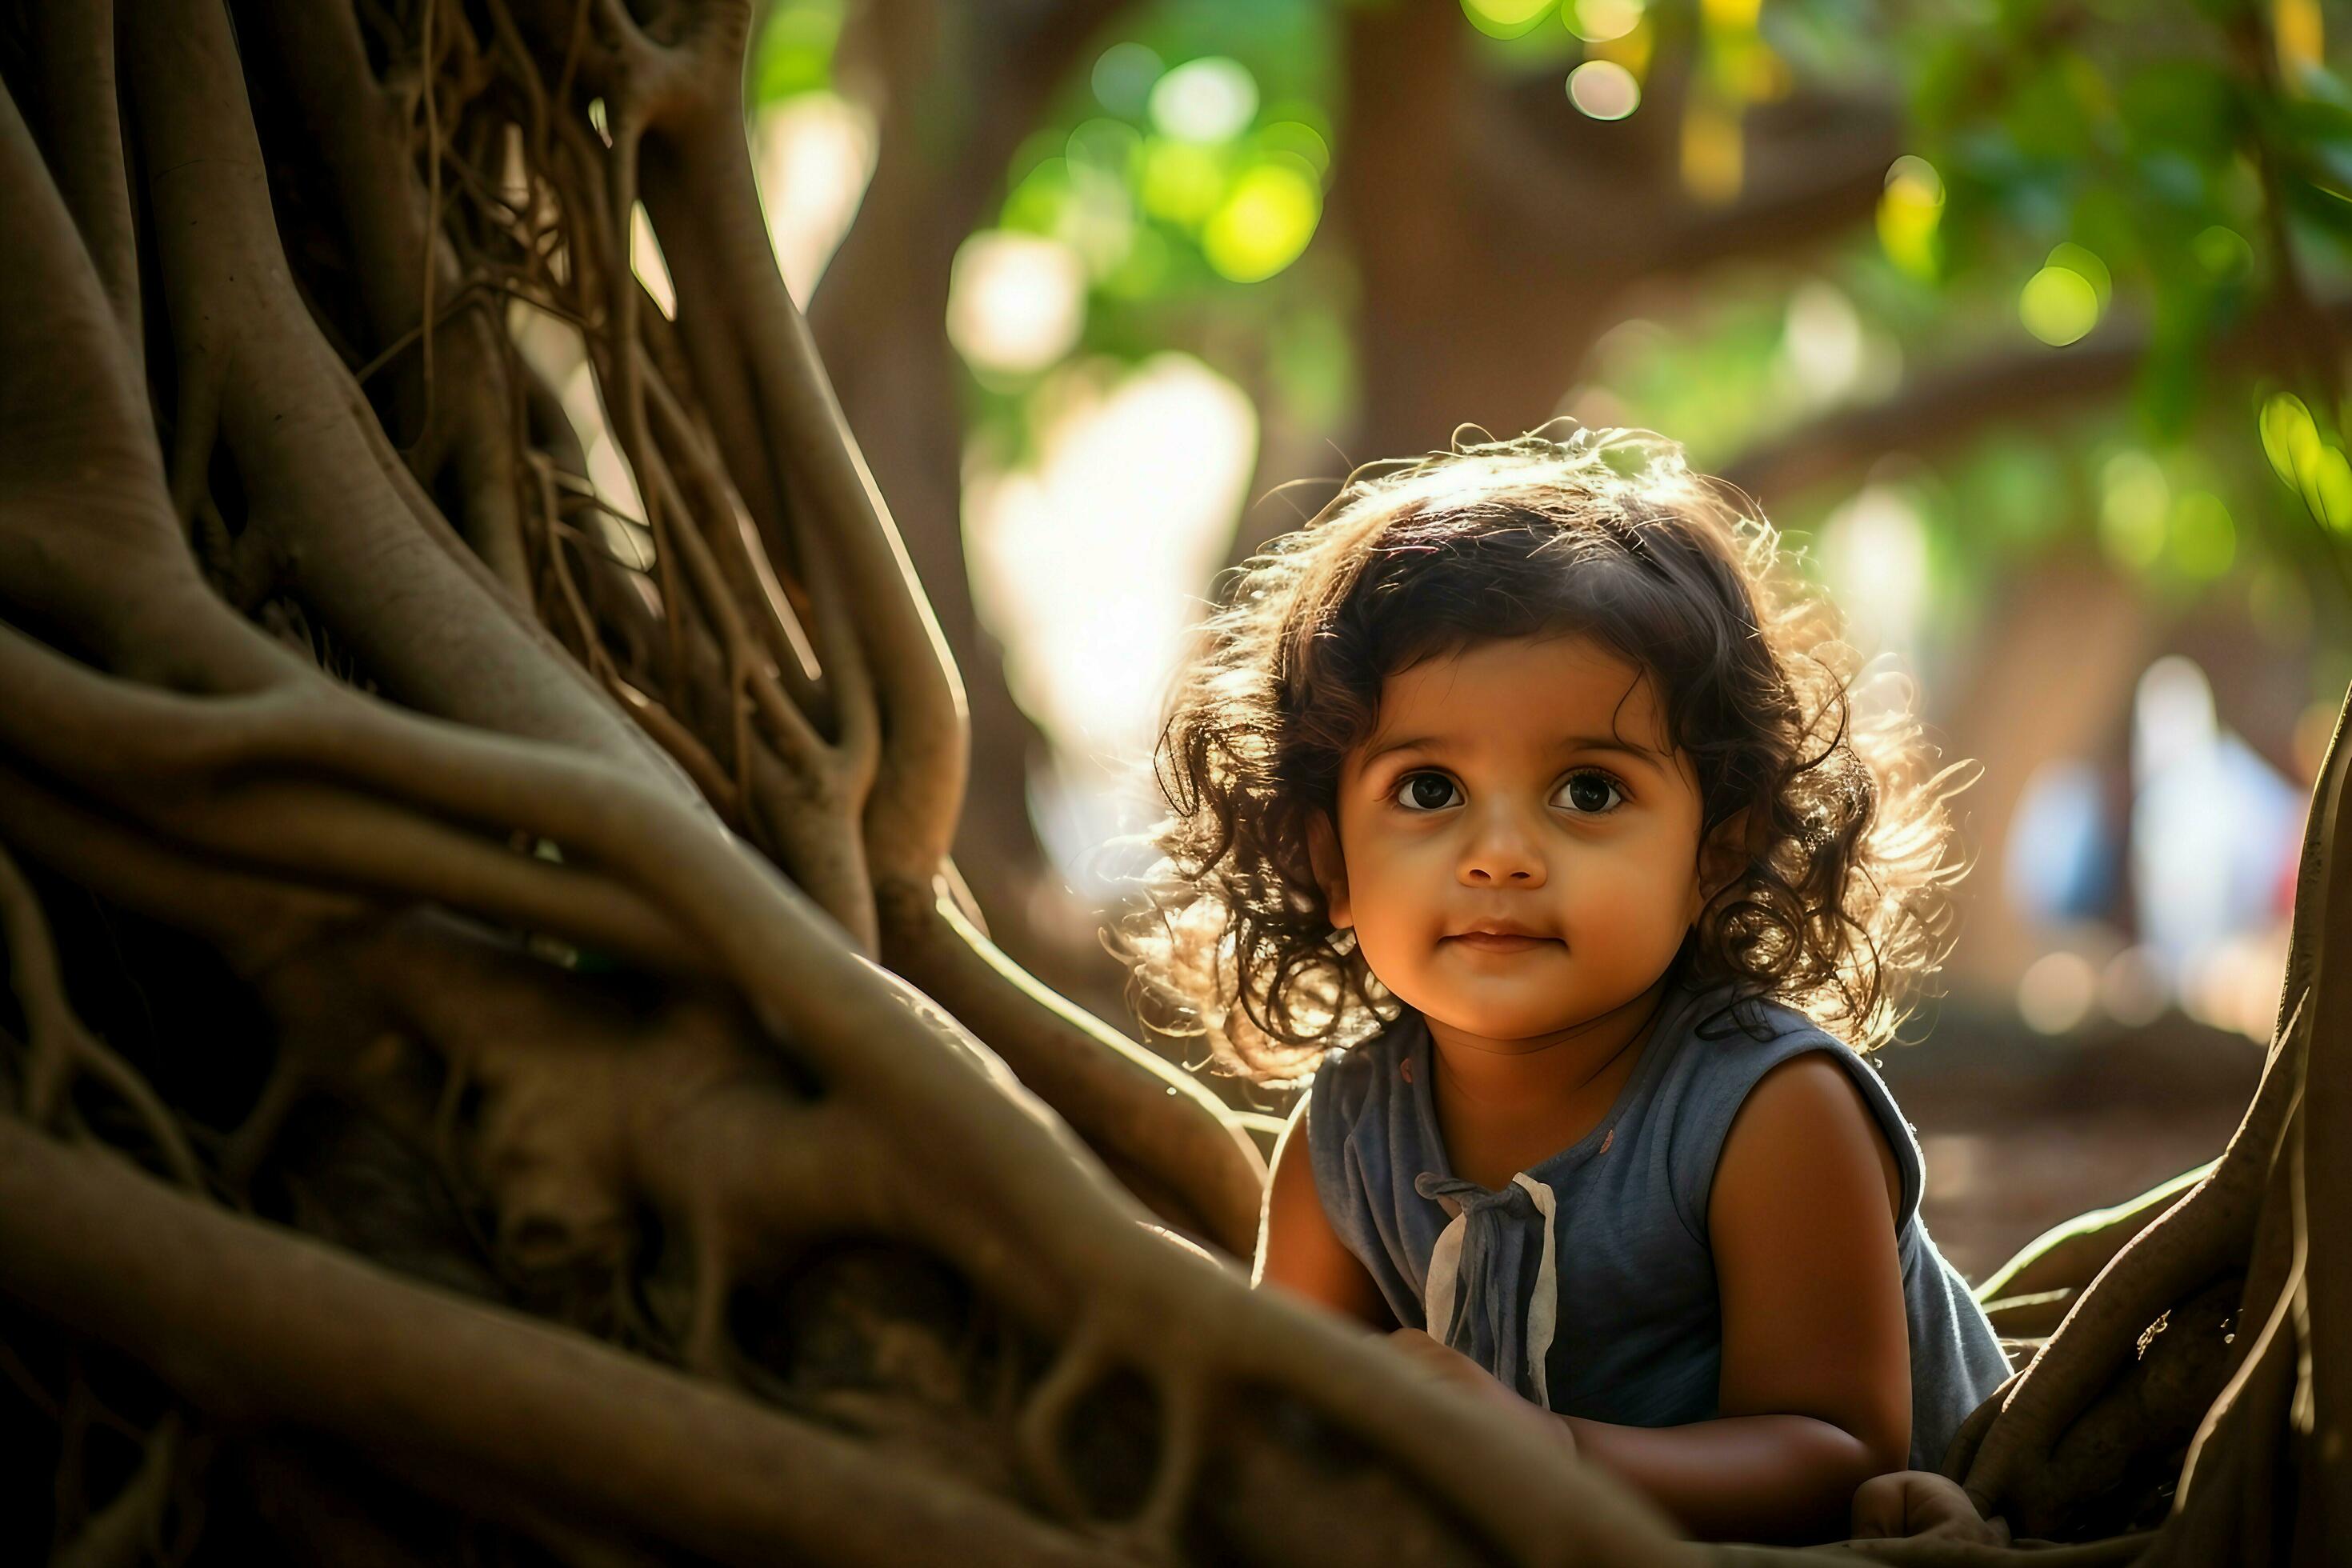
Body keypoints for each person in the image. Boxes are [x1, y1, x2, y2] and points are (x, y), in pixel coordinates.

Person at [1118, 423, 2012, 1545]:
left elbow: (1834, 1454)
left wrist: (1550, 1452)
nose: (1501, 853)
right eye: (1430, 788)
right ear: (1329, 859)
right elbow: (1291, 1427)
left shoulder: (1768, 1112)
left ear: (1717, 852)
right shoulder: (1348, 1139)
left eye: (1588, 792)